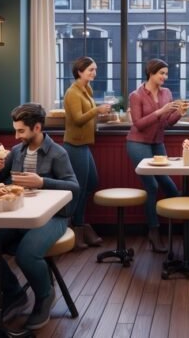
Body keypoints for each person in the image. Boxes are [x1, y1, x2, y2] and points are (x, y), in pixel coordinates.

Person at [0, 103, 80, 330]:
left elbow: (74, 187)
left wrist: (42, 182)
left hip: (53, 217)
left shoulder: (58, 153)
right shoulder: (17, 151)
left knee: (26, 255)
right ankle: (14, 293)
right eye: (15, 130)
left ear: (37, 128)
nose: (16, 136)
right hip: (18, 214)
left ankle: (45, 296)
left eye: (21, 131)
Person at [127, 58, 185, 252]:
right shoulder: (136, 95)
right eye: (161, 73)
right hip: (138, 143)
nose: (165, 77)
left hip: (157, 142)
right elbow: (138, 124)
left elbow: (167, 122)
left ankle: (184, 227)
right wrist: (161, 111)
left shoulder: (166, 93)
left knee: (168, 184)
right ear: (151, 73)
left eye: (166, 74)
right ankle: (153, 231)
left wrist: (180, 112)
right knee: (151, 185)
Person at [63, 57, 112, 249]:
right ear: (79, 71)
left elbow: (88, 115)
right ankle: (76, 229)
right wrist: (97, 110)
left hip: (84, 144)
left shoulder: (86, 89)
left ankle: (80, 224)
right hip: (74, 145)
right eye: (91, 70)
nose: (94, 73)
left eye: (95, 69)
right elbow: (77, 119)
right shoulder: (72, 93)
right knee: (80, 188)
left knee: (91, 183)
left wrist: (100, 113)